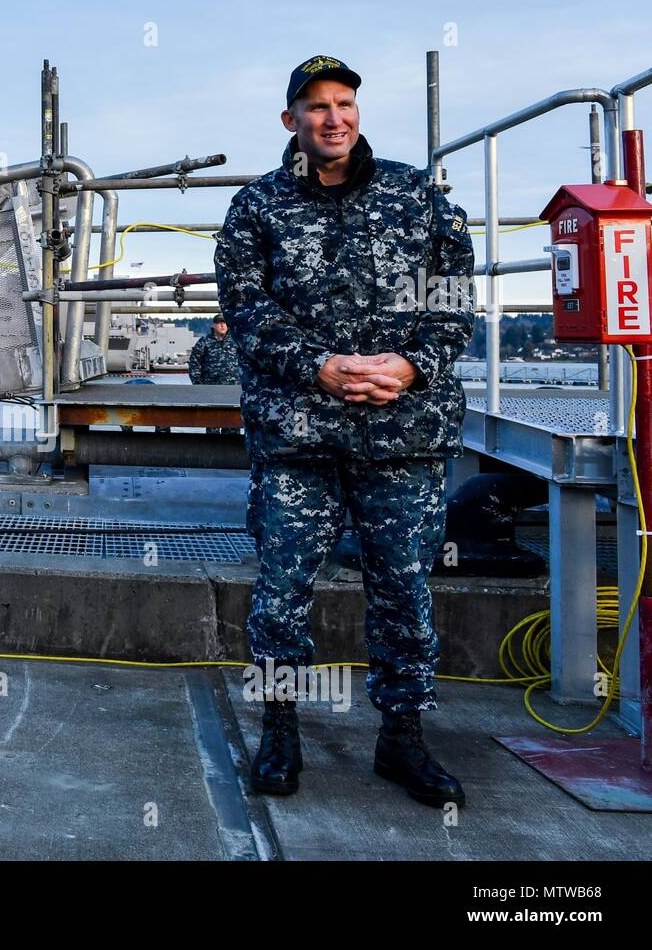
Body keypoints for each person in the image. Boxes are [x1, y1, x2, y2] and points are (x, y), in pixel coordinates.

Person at [213, 55, 476, 807]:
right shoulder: (258, 207)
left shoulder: (414, 196)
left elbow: (454, 297)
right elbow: (247, 310)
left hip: (404, 430)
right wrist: (318, 366)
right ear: (291, 119)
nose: (335, 118)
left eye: (345, 103)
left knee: (404, 590)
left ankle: (403, 739)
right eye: (318, 106)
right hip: (299, 434)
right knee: (283, 591)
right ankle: (281, 729)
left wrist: (413, 366)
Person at [188, 313, 241, 434]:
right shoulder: (204, 342)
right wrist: (198, 385)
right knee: (212, 426)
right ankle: (212, 451)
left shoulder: (236, 341)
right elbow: (194, 363)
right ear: (214, 325)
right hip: (211, 391)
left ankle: (230, 451)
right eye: (219, 323)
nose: (222, 325)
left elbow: (247, 362)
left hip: (233, 390)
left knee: (232, 425)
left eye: (224, 322)